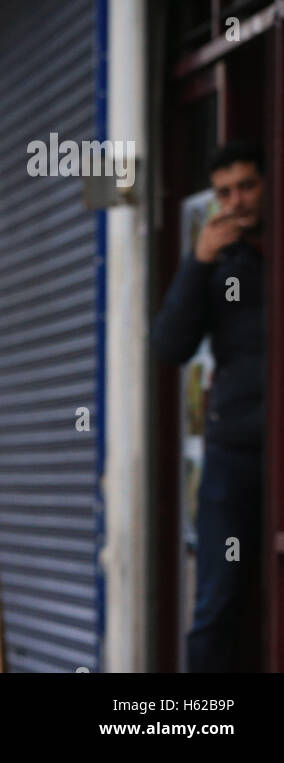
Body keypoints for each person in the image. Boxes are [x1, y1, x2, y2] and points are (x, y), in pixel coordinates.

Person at [152, 140, 267, 672]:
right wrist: (198, 262)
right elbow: (169, 346)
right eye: (224, 192)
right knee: (217, 599)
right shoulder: (217, 261)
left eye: (247, 186)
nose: (236, 201)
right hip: (233, 450)